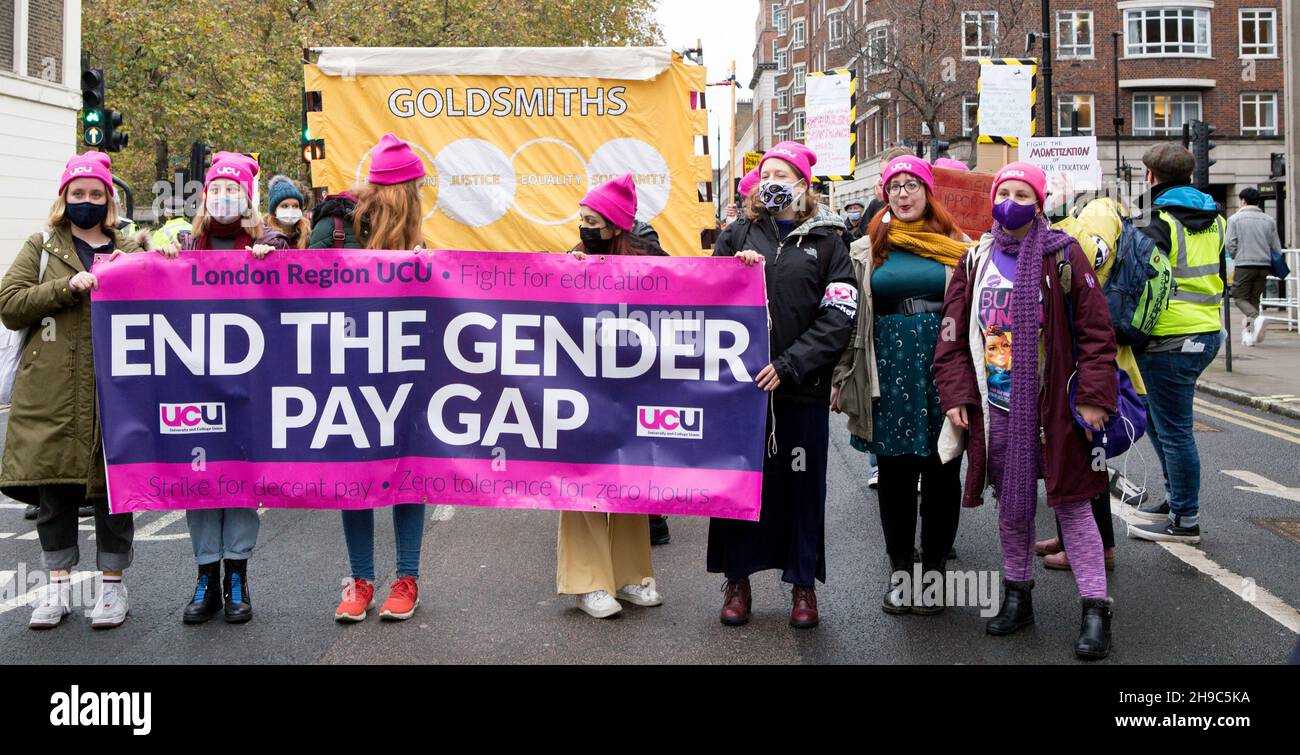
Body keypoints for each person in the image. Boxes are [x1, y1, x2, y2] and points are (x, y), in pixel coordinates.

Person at [934, 162, 1118, 660]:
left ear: (1039, 204)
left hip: (1054, 407)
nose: (1010, 200)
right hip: (998, 407)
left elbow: (1097, 332)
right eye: (1004, 191)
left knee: (1073, 505)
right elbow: (950, 337)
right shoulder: (975, 259)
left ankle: (1095, 609)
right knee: (1012, 506)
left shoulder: (1064, 255)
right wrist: (956, 396)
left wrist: (1095, 398)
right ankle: (1018, 597)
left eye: (1022, 193)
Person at [709, 141, 855, 629]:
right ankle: (737, 580)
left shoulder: (831, 240)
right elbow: (704, 296)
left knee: (802, 490)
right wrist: (734, 272)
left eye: (781, 172)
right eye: (765, 172)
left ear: (802, 184)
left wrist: (791, 364)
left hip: (800, 389)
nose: (770, 179)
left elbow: (840, 315)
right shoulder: (737, 234)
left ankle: (803, 586)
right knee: (738, 488)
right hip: (741, 392)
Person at [0, 152, 141, 629]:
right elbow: (11, 304)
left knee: (114, 493)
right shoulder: (41, 245)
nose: (86, 201)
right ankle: (55, 591)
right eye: (77, 194)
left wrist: (156, 263)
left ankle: (112, 591)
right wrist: (66, 288)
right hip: (51, 394)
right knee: (54, 495)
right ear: (65, 199)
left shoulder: (127, 248)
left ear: (109, 201)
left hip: (115, 395)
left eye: (95, 194)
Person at [832, 156, 971, 615]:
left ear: (929, 193)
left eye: (913, 185)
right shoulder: (866, 248)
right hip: (886, 369)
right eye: (895, 187)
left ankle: (933, 572)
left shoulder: (961, 245)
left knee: (941, 469)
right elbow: (848, 318)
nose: (904, 194)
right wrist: (840, 376)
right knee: (893, 474)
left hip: (945, 365)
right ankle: (900, 572)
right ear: (884, 195)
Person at [306, 134, 432, 623]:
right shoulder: (335, 227)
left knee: (409, 471)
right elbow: (303, 292)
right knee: (353, 476)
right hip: (349, 368)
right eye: (415, 188)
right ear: (400, 191)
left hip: (402, 371)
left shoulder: (413, 234)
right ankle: (360, 581)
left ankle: (407, 579)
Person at [164, 152, 287, 624]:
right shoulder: (183, 242)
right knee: (198, 483)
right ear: (204, 195)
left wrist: (275, 263)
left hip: (249, 386)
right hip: (191, 382)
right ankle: (205, 577)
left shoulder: (268, 241)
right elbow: (130, 273)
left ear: (248, 199)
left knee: (239, 480)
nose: (223, 198)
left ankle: (237, 574)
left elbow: (304, 290)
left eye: (233, 190)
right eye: (215, 190)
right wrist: (162, 263)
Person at [555, 174, 667, 618]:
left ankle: (629, 576)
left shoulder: (654, 265)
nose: (583, 228)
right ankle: (587, 582)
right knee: (581, 482)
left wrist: (741, 265)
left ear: (617, 226)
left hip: (629, 389)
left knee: (629, 480)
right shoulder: (572, 261)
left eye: (591, 220)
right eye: (581, 219)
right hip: (580, 390)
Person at [1126, 144, 1226, 545]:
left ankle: (1186, 520)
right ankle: (1175, 499)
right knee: (1156, 419)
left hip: (1169, 338)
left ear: (1151, 175)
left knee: (1175, 430)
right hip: (1205, 331)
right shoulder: (1215, 217)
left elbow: (1138, 280)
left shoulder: (1156, 220)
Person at [1226, 187, 1279, 347]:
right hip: (1264, 264)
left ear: (1243, 200)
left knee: (1239, 296)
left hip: (1244, 263)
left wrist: (1236, 255)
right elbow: (1276, 246)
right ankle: (1250, 335)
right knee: (1253, 299)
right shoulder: (1269, 220)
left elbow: (1230, 244)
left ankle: (1257, 318)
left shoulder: (1234, 219)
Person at [264, 175, 311, 249]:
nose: (291, 210)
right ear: (274, 211)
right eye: (284, 206)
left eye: (295, 206)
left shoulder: (309, 236)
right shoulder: (264, 236)